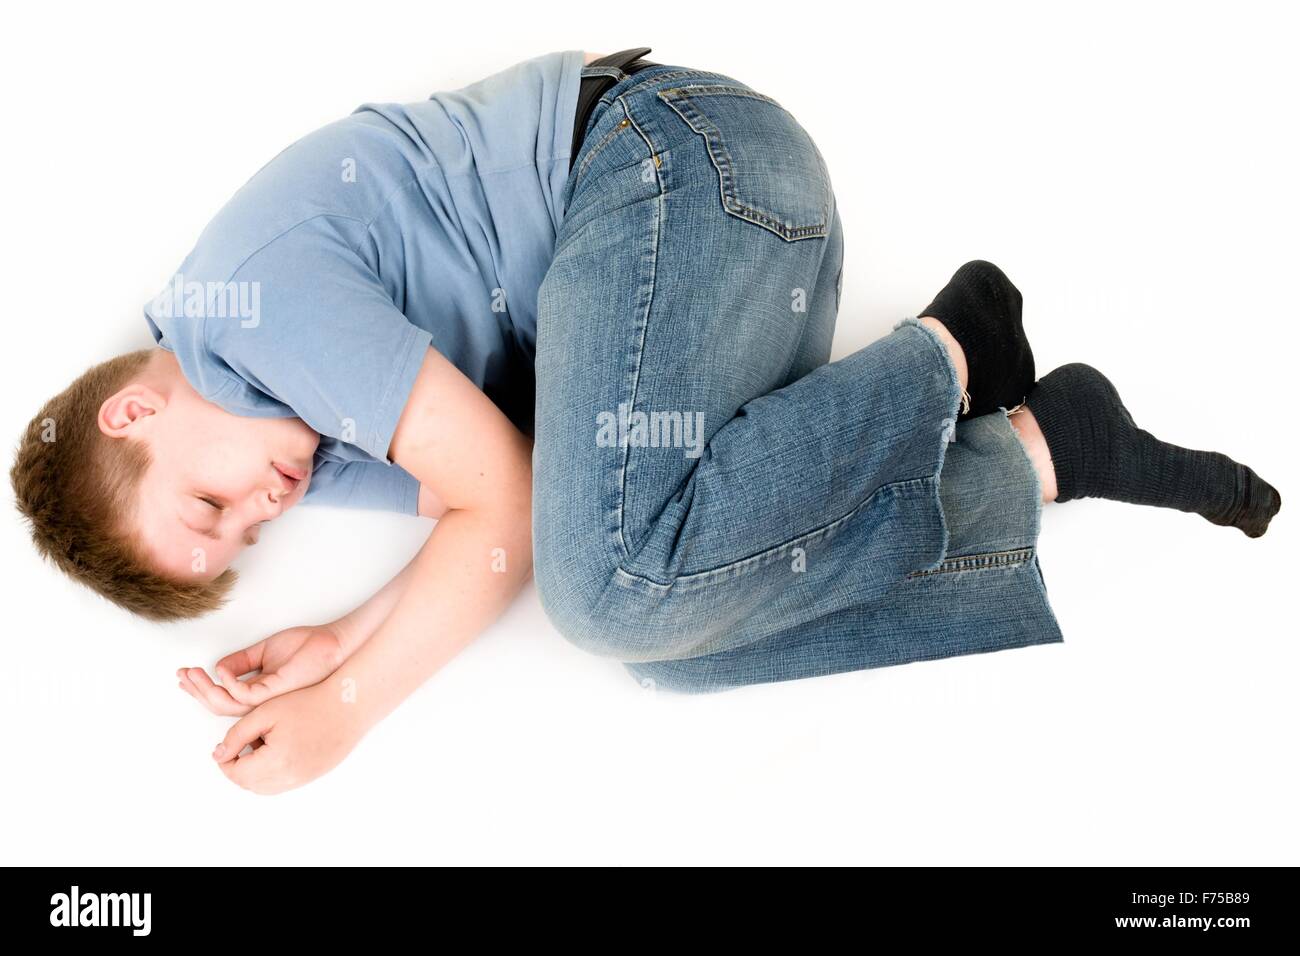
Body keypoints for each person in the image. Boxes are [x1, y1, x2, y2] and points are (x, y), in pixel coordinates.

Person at [10, 49, 1280, 793]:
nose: (263, 511)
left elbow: (499, 506)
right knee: (671, 634)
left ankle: (952, 351)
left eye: (209, 503)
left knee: (607, 589)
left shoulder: (252, 316)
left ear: (137, 407)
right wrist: (333, 642)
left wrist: (347, 711)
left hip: (676, 165)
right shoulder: (301, 433)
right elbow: (488, 513)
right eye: (241, 541)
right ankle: (1043, 450)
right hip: (705, 274)